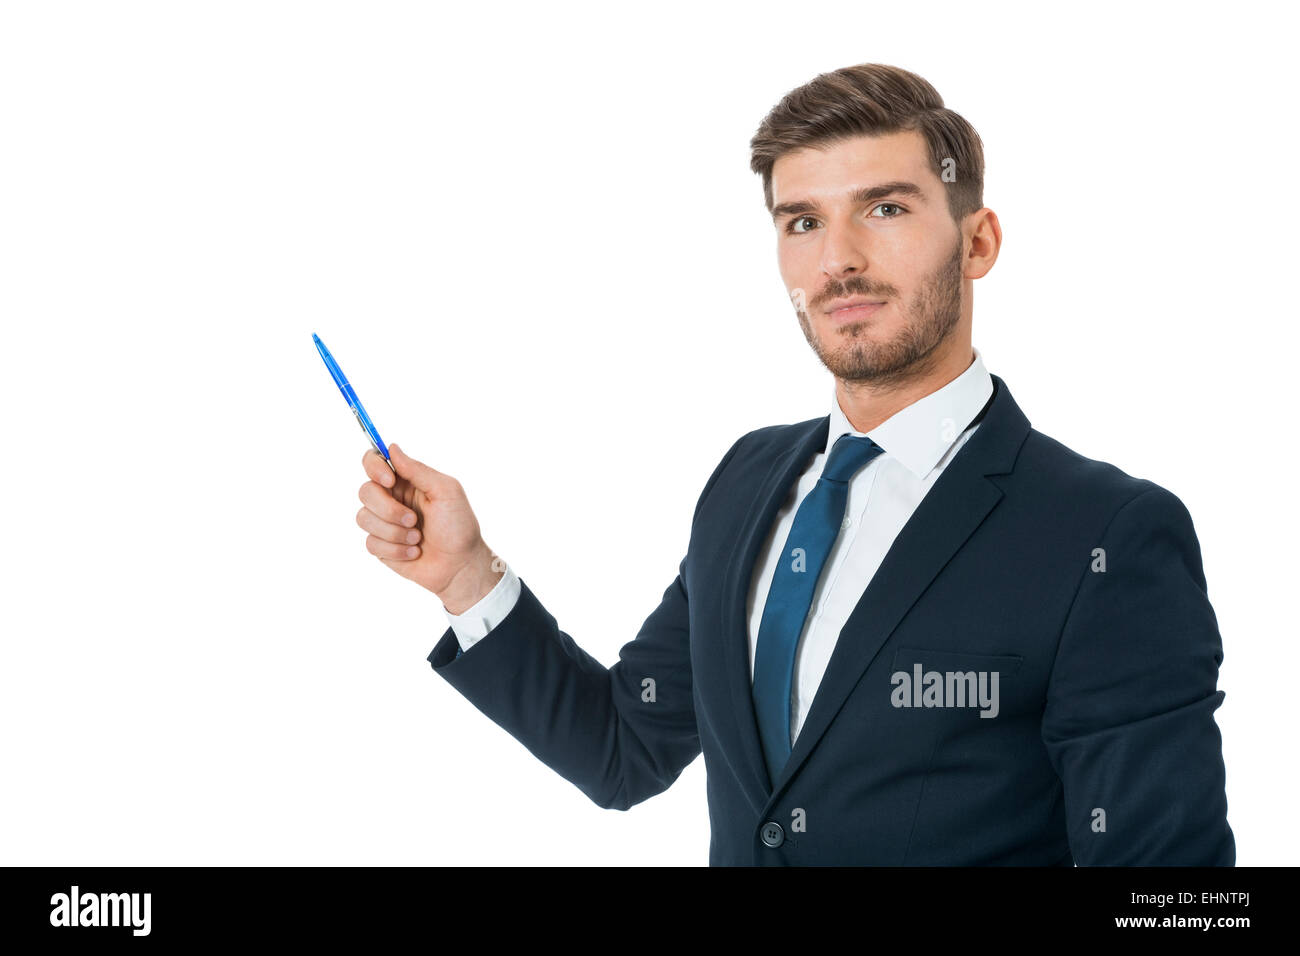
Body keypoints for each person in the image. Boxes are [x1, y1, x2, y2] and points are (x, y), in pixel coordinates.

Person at [353, 63, 1234, 865]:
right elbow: (625, 749)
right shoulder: (748, 481)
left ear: (977, 243)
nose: (838, 259)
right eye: (803, 222)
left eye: (885, 209)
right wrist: (469, 578)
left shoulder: (1105, 535)